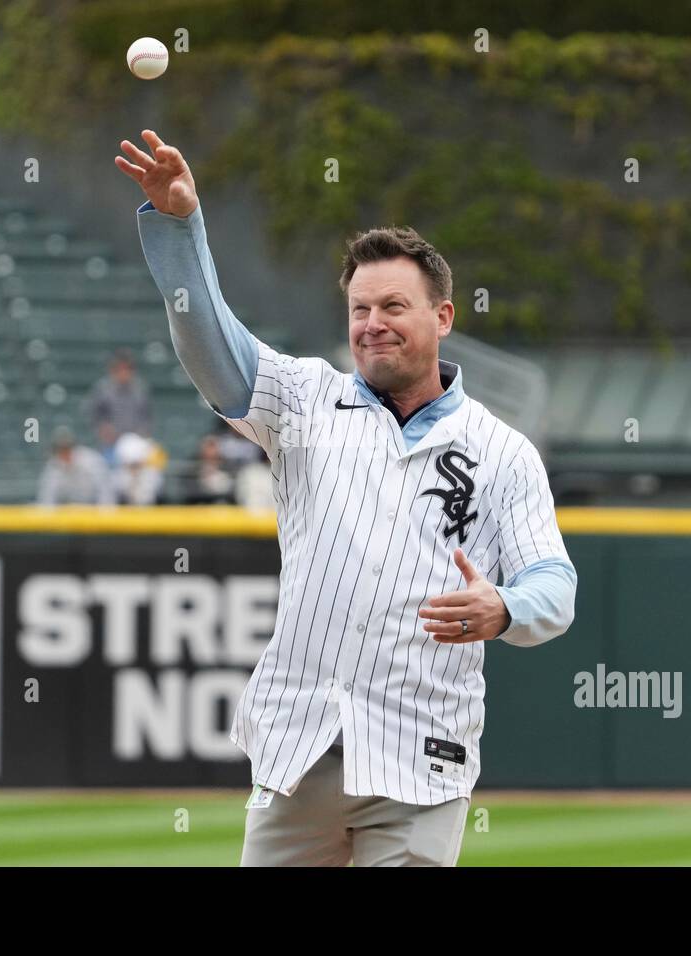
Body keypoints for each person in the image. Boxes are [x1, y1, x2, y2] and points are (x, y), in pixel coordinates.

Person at [118, 129, 576, 867]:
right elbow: (210, 346)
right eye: (360, 309)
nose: (372, 324)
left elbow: (555, 584)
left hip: (420, 757)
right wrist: (180, 228)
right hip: (299, 747)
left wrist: (507, 608)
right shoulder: (302, 398)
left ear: (443, 317)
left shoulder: (503, 451)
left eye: (394, 305)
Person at [36, 426, 115, 506]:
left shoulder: (91, 460)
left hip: (93, 509)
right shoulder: (53, 467)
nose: (64, 453)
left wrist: (104, 516)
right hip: (68, 511)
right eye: (61, 449)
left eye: (67, 448)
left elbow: (105, 490)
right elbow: (47, 497)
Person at [84, 350, 152, 440]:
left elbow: (147, 418)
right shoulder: (102, 390)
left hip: (135, 441)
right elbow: (93, 415)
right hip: (110, 444)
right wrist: (103, 428)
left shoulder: (140, 390)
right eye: (120, 369)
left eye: (127, 369)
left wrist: (142, 433)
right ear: (113, 370)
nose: (124, 373)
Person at [186, 434, 235, 504]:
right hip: (200, 506)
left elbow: (232, 492)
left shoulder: (228, 468)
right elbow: (189, 492)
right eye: (209, 446)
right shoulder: (192, 470)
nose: (211, 451)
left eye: (213, 446)